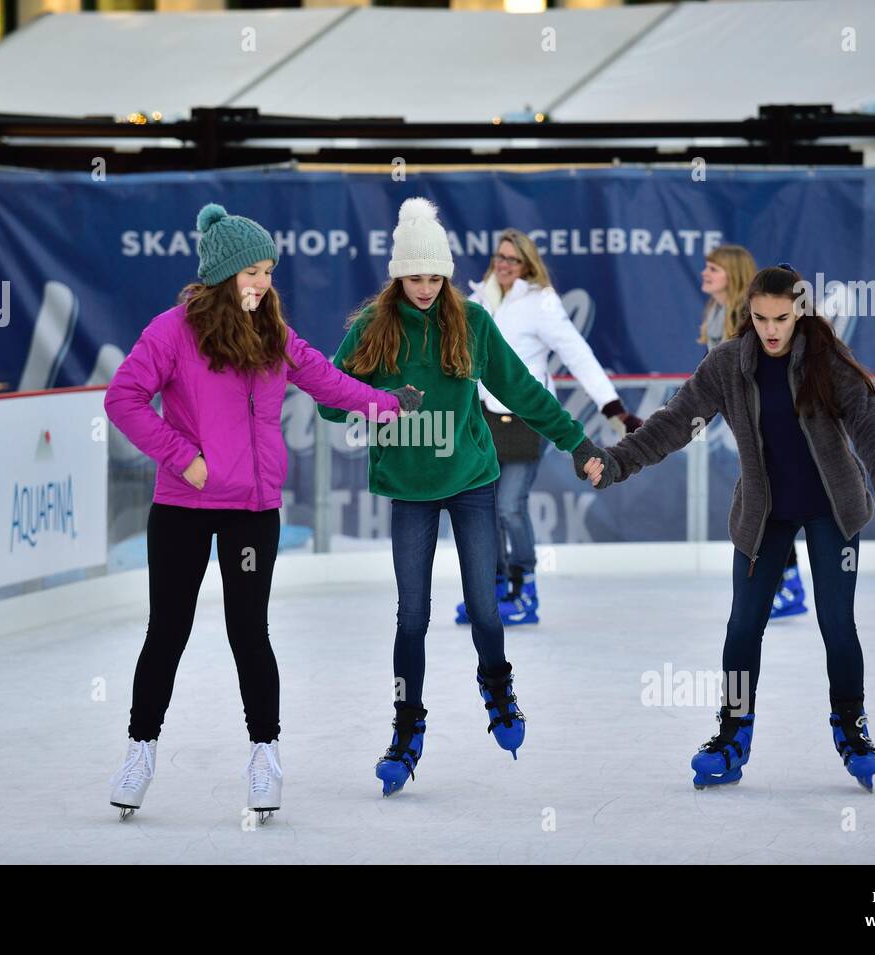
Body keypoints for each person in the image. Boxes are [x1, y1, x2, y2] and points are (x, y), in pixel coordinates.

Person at [102, 203, 422, 821]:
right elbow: (124, 398)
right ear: (222, 273)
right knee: (167, 630)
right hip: (183, 507)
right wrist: (182, 456)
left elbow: (328, 381)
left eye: (270, 271)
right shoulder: (172, 331)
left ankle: (264, 757)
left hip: (251, 509)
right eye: (253, 271)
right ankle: (140, 750)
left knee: (249, 631)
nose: (263, 283)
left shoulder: (273, 333)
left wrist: (386, 404)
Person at [317, 198, 615, 796]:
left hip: (473, 480)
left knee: (485, 606)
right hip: (410, 489)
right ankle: (406, 729)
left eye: (435, 277)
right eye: (415, 277)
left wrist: (579, 444)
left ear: (447, 275)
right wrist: (376, 398)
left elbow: (524, 392)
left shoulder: (472, 322)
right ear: (398, 275)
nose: (425, 288)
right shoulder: (372, 328)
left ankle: (498, 687)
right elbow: (328, 399)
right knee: (413, 618)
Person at [587, 264, 875, 792]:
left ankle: (851, 728)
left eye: (782, 318)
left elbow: (868, 426)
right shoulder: (727, 366)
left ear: (800, 312)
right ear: (749, 316)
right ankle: (733, 734)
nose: (772, 329)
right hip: (764, 514)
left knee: (837, 624)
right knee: (743, 627)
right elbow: (676, 421)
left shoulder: (827, 363)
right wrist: (619, 461)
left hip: (833, 510)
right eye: (761, 318)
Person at [454, 228, 641, 627]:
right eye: (499, 257)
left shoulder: (541, 303)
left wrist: (614, 408)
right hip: (482, 418)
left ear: (527, 265)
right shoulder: (478, 300)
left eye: (512, 259)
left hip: (527, 418)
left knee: (509, 505)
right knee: (484, 508)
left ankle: (525, 587)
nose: (503, 265)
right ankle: (494, 586)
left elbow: (578, 353)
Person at [701, 245, 807, 618]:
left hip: (768, 424)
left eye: (714, 268)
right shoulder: (717, 312)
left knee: (772, 497)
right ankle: (782, 580)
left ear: (733, 273)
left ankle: (788, 581)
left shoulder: (745, 317)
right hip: (745, 424)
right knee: (762, 496)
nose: (706, 273)